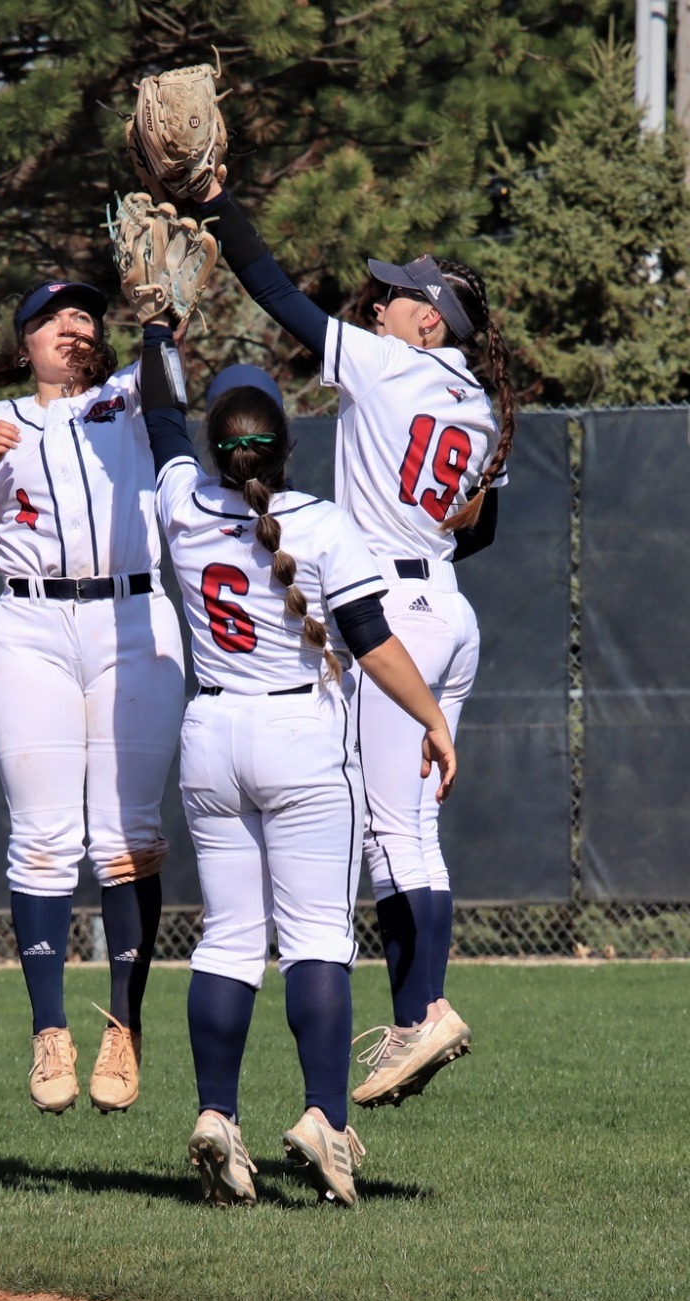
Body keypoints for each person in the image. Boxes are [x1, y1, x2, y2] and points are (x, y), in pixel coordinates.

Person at [189, 179, 517, 1109]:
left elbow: (277, 295)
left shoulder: (386, 362)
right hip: (448, 604)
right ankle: (420, 1011)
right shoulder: (479, 406)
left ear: (429, 323)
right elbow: (477, 524)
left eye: (400, 297)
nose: (380, 303)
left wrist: (218, 209)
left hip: (395, 615)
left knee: (389, 831)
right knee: (416, 829)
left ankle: (422, 1013)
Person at [131, 316, 458, 1208]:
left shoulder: (183, 505)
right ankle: (320, 1116)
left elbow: (161, 416)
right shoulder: (322, 523)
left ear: (217, 444)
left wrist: (159, 327)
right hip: (302, 741)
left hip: (212, 737)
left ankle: (215, 1114)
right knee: (316, 938)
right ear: (285, 440)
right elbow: (371, 641)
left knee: (229, 938)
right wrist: (432, 719)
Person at [0, 280, 185, 1116]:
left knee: (127, 832)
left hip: (136, 616)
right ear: (25, 340)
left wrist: (163, 309)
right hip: (30, 627)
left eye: (86, 314)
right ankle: (51, 1031)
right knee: (42, 837)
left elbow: (170, 365)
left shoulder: (129, 398)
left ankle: (125, 1027)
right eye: (56, 316)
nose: (75, 324)